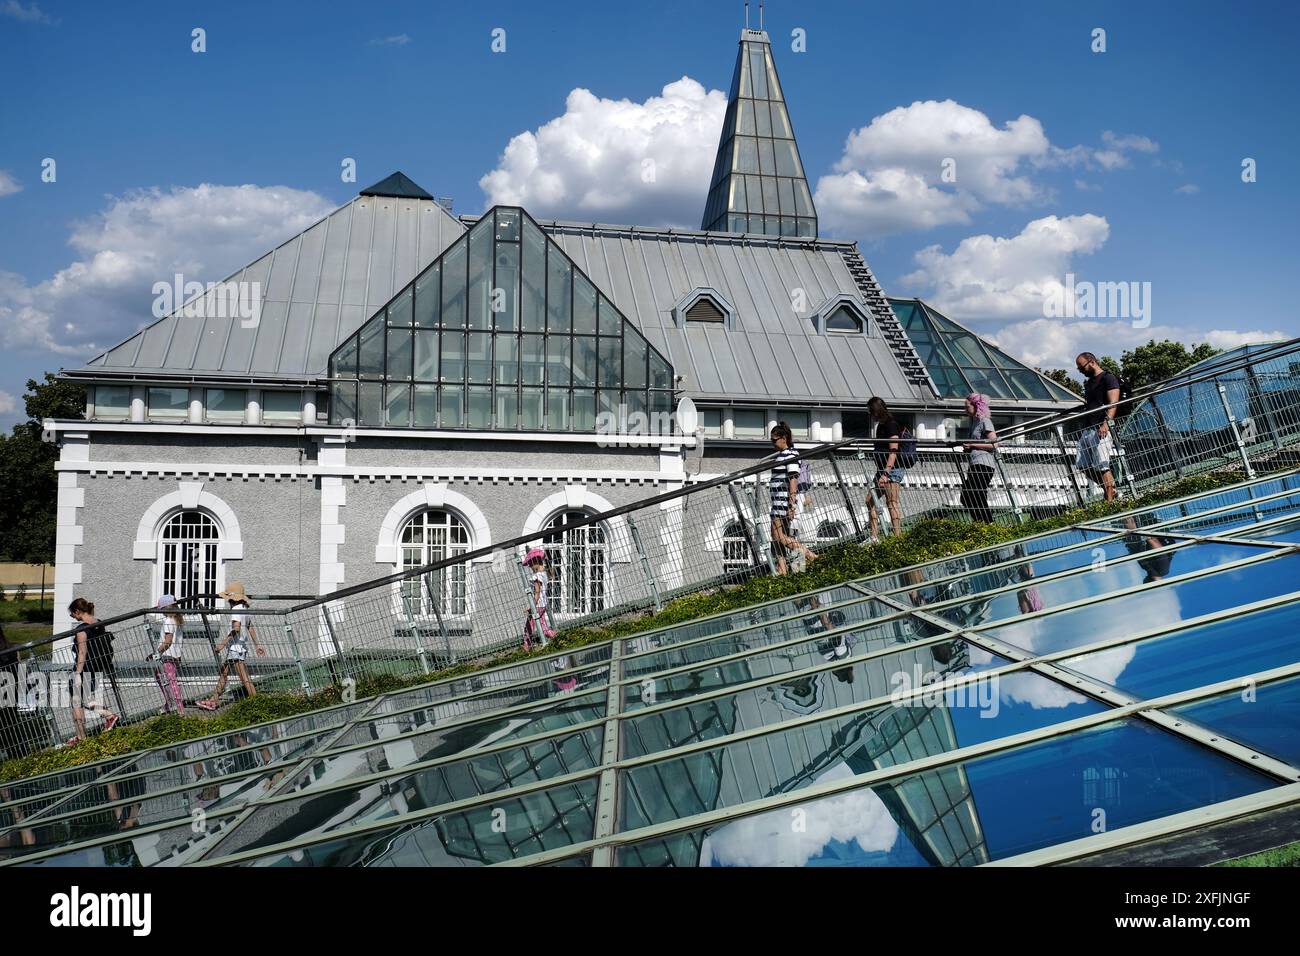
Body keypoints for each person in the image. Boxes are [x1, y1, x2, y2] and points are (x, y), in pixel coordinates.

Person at [196, 583, 265, 711]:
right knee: (224, 673)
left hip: (235, 648)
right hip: (238, 647)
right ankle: (213, 700)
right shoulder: (244, 608)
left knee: (244, 678)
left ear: (232, 598)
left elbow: (236, 629)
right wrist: (257, 644)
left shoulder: (236, 609)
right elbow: (249, 626)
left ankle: (257, 704)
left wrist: (222, 645)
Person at [66, 597, 119, 744]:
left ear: (78, 611)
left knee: (76, 701)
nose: (72, 616)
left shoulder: (81, 629)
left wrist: (77, 674)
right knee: (85, 699)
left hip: (84, 668)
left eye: (72, 613)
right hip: (96, 667)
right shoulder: (98, 623)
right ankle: (108, 717)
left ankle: (82, 736)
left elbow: (82, 653)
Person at [768, 422, 818, 575]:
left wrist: (792, 504)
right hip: (779, 501)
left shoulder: (790, 454)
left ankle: (811, 557)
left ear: (784, 438)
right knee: (778, 537)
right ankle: (784, 571)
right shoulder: (784, 454)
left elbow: (793, 479)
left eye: (774, 440)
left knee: (780, 537)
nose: (772, 443)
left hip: (784, 501)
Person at [1075, 352, 1121, 502]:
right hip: (1088, 428)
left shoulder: (1108, 378)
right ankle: (1111, 490)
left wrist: (1106, 423)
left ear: (1091, 362)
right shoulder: (1089, 382)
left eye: (1081, 367)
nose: (1080, 371)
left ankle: (1109, 502)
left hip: (1101, 428)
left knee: (1102, 465)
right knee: (1082, 465)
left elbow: (1113, 402)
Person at [866, 397, 904, 540]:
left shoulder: (891, 425)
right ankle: (874, 537)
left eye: (871, 411)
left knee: (891, 502)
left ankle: (898, 538)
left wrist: (886, 473)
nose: (870, 415)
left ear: (876, 411)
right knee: (870, 500)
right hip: (882, 470)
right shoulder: (881, 426)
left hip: (891, 470)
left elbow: (893, 451)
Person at [960, 392, 998, 523]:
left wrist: (973, 445)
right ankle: (980, 523)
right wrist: (969, 448)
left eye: (967, 407)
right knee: (967, 497)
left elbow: (994, 444)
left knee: (976, 494)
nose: (965, 410)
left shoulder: (984, 421)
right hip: (975, 463)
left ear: (976, 406)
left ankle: (987, 523)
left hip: (984, 464)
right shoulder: (973, 422)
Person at [151, 595, 185, 715]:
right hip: (174, 656)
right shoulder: (177, 620)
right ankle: (169, 703)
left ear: (165, 608)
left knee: (171, 681)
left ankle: (179, 708)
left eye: (161, 609)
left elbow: (168, 641)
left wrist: (156, 652)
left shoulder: (168, 620)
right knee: (162, 677)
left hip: (166, 656)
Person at [521, 548, 557, 652]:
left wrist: (532, 606)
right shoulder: (544, 574)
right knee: (542, 624)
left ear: (536, 562)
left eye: (530, 564)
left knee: (529, 626)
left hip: (537, 605)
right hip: (543, 604)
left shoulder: (536, 576)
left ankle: (527, 645)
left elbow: (537, 592)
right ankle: (554, 636)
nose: (530, 567)